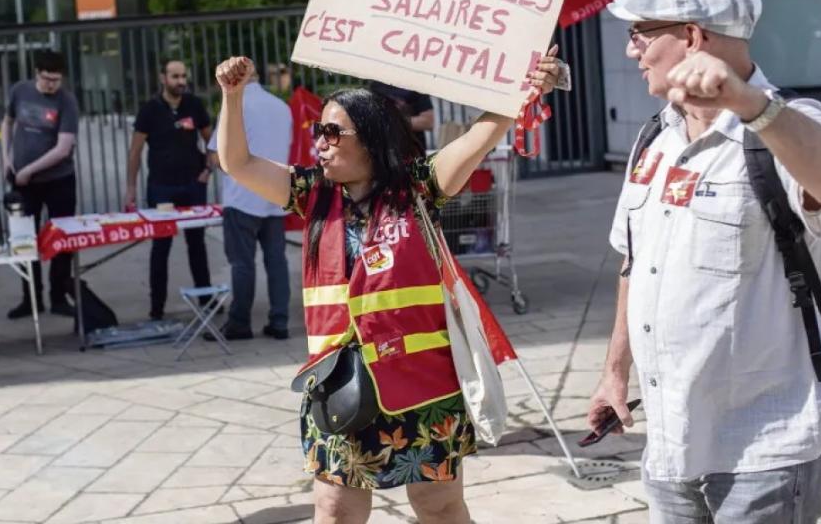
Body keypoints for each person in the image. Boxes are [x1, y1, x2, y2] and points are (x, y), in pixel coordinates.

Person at [213, 51, 562, 522]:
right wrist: (231, 98)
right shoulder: (311, 193)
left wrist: (523, 87)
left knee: (439, 509)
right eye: (319, 131)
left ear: (372, 141)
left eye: (333, 133)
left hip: (422, 387)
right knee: (335, 510)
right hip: (339, 385)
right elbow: (237, 163)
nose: (321, 142)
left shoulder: (419, 187)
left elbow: (484, 131)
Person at [587, 0, 821, 523]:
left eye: (641, 33)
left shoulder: (788, 125)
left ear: (692, 37)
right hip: (670, 444)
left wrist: (751, 105)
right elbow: (635, 263)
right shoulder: (655, 136)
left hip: (763, 446)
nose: (631, 50)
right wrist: (615, 372)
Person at [205, 67, 293, 340]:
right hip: (276, 193)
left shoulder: (235, 105)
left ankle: (239, 322)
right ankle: (280, 321)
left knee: (242, 263)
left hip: (242, 197)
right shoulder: (282, 107)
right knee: (277, 261)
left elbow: (218, 156)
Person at [126, 60, 213, 320]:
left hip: (192, 186)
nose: (181, 81)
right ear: (163, 78)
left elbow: (213, 142)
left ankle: (207, 300)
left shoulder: (194, 105)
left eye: (184, 76)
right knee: (160, 247)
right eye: (175, 76)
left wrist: (207, 171)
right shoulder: (150, 110)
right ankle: (157, 307)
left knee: (197, 243)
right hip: (161, 188)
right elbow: (135, 151)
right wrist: (130, 187)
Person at [2, 50, 79, 319]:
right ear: (37, 74)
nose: (51, 85)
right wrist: (7, 157)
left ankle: (59, 295)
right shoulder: (20, 91)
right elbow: (8, 121)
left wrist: (28, 170)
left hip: (58, 179)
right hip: (24, 180)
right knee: (25, 238)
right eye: (47, 79)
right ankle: (31, 297)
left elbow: (63, 148)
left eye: (56, 80)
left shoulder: (66, 101)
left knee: (62, 237)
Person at [369, 81, 435, 153]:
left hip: (412, 150)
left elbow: (428, 122)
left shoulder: (415, 84)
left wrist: (393, 121)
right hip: (385, 150)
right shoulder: (376, 85)